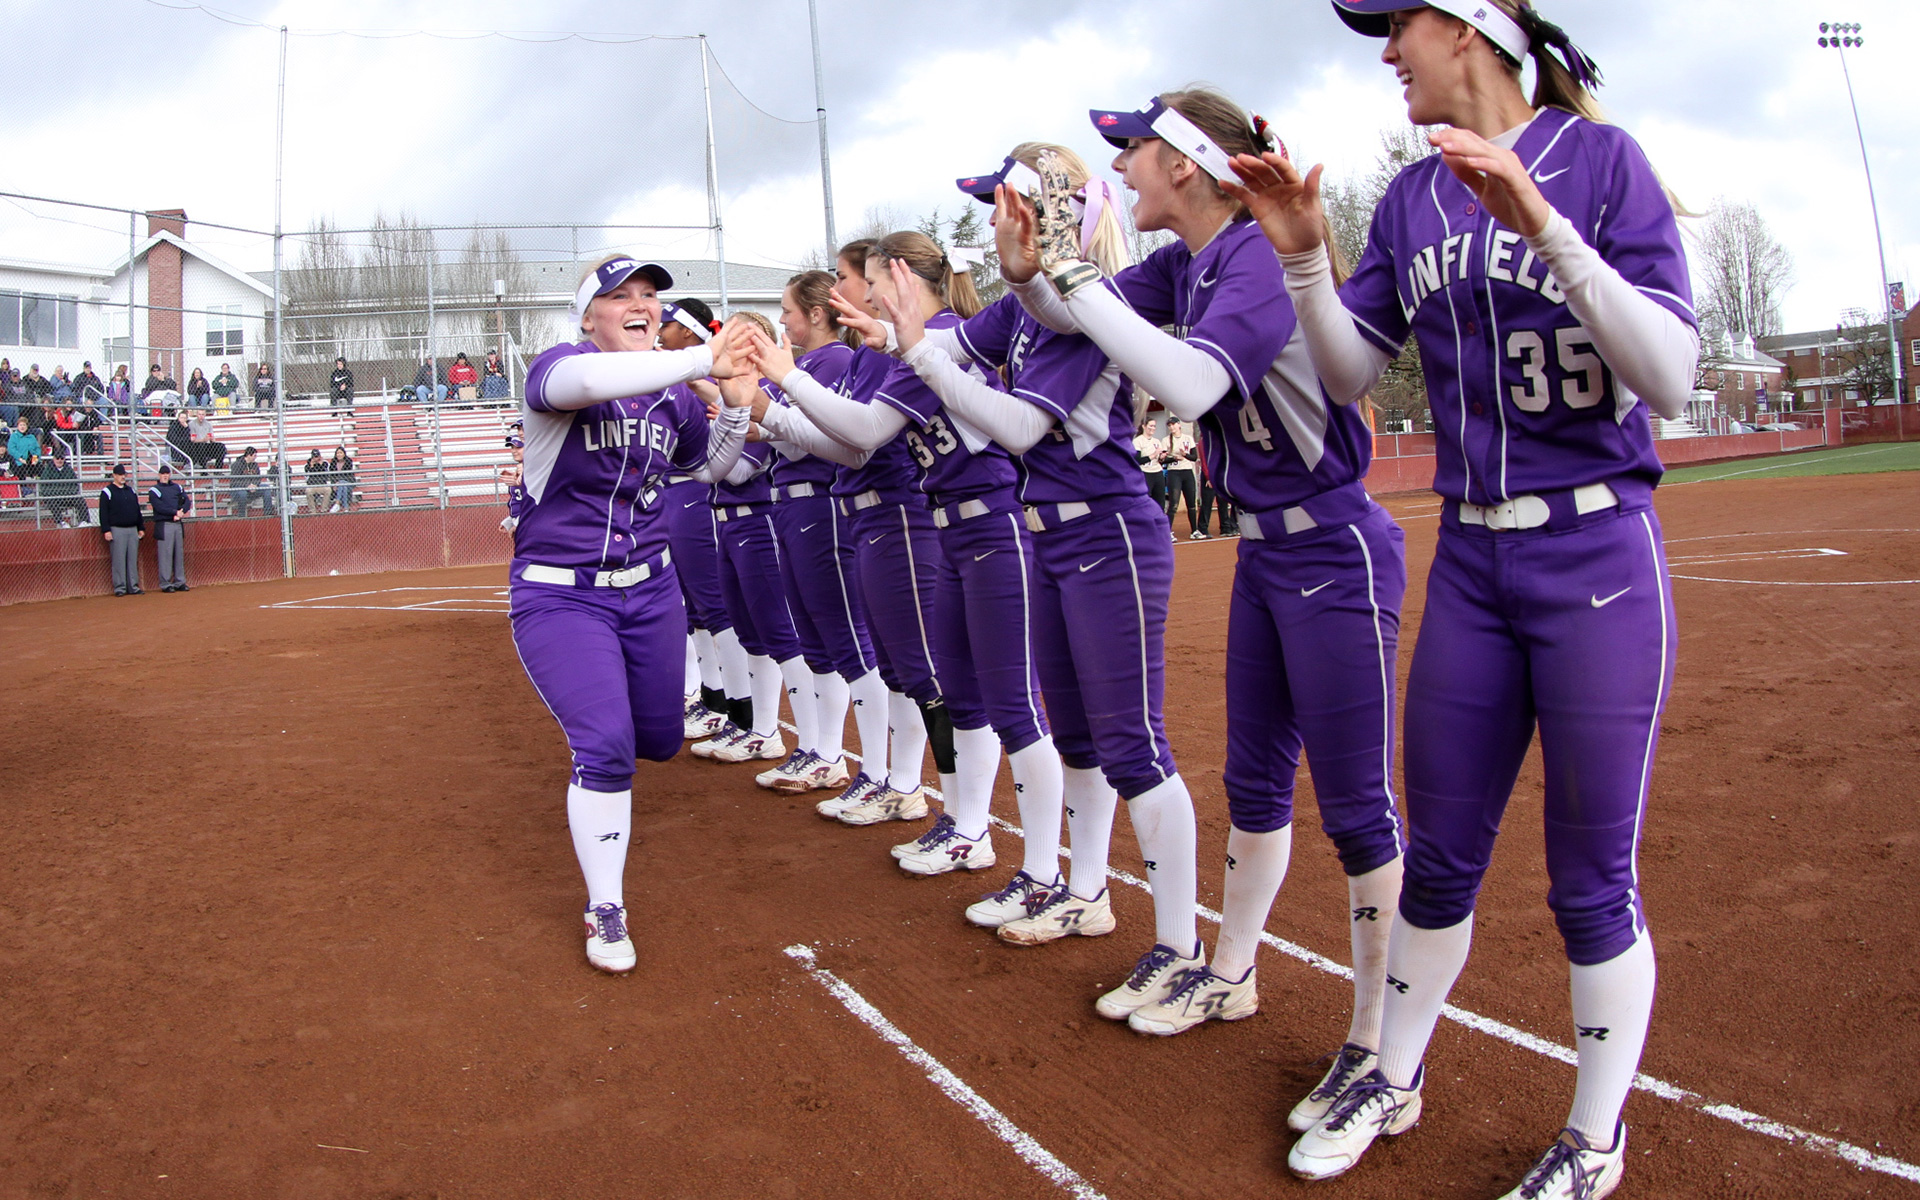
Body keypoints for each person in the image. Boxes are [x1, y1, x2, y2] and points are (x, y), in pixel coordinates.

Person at [1236, 4, 1696, 1194]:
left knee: (1589, 879)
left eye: (1403, 26)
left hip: (1597, 557)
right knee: (1439, 855)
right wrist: (1300, 253)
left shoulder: (1600, 163)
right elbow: (1346, 376)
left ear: (1477, 31)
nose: (1387, 51)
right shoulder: (1409, 197)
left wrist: (1547, 229)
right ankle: (1392, 1071)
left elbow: (1673, 378)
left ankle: (1594, 1141)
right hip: (1476, 565)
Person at [998, 93, 1416, 1054]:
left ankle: (1377, 1044)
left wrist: (1059, 266)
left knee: (1357, 806)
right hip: (1269, 550)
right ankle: (1228, 975)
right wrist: (1028, 278)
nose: (1126, 171)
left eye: (1135, 151)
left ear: (1186, 163)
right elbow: (1074, 318)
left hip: (1334, 544)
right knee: (1257, 782)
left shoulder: (1256, 252)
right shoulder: (1186, 263)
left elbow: (1189, 385)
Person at [872, 144, 1194, 973]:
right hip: (1052, 531)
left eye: (1010, 204)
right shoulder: (1026, 309)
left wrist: (917, 350)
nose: (994, 221)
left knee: (1132, 743)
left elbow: (1014, 428)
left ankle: (1181, 946)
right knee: (1081, 739)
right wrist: (911, 341)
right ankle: (1081, 890)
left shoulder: (1095, 301)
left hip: (1108, 529)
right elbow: (959, 360)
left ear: (1055, 214)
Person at [509, 255, 756, 975]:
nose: (640, 304)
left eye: (649, 294)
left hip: (650, 592)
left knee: (659, 740)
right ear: (589, 317)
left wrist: (734, 404)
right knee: (608, 746)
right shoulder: (562, 365)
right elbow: (584, 384)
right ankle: (606, 906)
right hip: (563, 593)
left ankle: (622, 771)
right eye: (620, 296)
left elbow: (708, 466)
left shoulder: (674, 397)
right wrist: (701, 359)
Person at [745, 239, 941, 825]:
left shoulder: (841, 358)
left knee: (906, 665)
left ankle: (895, 780)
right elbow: (846, 443)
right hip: (854, 509)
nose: (843, 289)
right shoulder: (858, 357)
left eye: (847, 278)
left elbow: (862, 435)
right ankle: (878, 774)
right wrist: (761, 409)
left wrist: (775, 397)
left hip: (892, 513)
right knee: (865, 652)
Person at [745, 270, 889, 798]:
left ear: (816, 314)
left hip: (821, 507)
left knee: (851, 644)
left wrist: (768, 416)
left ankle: (876, 769)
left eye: (787, 310)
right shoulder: (806, 364)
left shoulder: (832, 361)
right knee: (820, 645)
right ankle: (826, 752)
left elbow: (818, 440)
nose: (781, 319)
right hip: (792, 508)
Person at [654, 298, 751, 744]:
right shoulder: (672, 370)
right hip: (675, 493)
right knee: (692, 609)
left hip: (696, 492)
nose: (660, 329)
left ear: (691, 333)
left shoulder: (710, 377)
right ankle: (711, 697)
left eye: (669, 324)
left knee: (712, 605)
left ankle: (738, 704)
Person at [99, 463, 145, 595]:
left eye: (124, 474)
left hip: (132, 529)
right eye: (120, 475)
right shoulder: (107, 492)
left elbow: (137, 510)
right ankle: (120, 587)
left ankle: (133, 586)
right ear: (114, 476)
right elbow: (103, 512)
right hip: (117, 529)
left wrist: (140, 527)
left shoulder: (130, 491)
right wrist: (106, 530)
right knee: (118, 559)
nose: (123, 477)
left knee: (132, 559)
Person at [148, 464, 192, 592]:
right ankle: (166, 583)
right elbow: (159, 507)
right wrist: (174, 512)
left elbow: (187, 501)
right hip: (164, 524)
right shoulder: (154, 490)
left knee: (178, 553)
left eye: (167, 473)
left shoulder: (177, 487)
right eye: (163, 474)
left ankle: (179, 582)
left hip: (178, 523)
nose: (165, 476)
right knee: (165, 554)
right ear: (159, 475)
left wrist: (182, 511)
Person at [1163, 417, 1200, 536]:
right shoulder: (1166, 440)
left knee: (1191, 503)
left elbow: (1194, 457)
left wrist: (1185, 455)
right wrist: (1173, 457)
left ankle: (1194, 530)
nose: (1172, 427)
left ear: (1179, 425)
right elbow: (1162, 460)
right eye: (1169, 425)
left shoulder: (1188, 439)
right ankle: (1168, 531)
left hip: (1187, 471)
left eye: (1173, 424)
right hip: (1174, 472)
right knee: (1173, 504)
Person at [39, 447, 87, 527]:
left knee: (80, 500)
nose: (59, 460)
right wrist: (57, 493)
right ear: (54, 459)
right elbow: (44, 487)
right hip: (53, 497)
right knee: (51, 501)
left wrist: (67, 493)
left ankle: (84, 521)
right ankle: (60, 522)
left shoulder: (68, 469)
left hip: (67, 496)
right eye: (57, 458)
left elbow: (75, 485)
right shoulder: (47, 470)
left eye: (62, 458)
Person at [229, 446, 276, 516]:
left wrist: (255, 485)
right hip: (239, 488)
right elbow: (235, 480)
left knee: (266, 488)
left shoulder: (255, 465)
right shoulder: (236, 465)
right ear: (248, 455)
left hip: (252, 488)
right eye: (254, 455)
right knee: (242, 493)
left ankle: (268, 513)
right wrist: (247, 485)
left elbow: (258, 478)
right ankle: (241, 515)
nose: (255, 457)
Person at [1133, 419, 1168, 510]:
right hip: (1145, 472)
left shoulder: (1156, 441)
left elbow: (1159, 460)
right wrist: (1153, 455)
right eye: (1151, 426)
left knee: (1160, 500)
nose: (1153, 428)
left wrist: (1162, 457)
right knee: (1146, 499)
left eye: (1154, 426)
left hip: (1157, 471)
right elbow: (1137, 460)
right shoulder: (1138, 441)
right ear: (1144, 426)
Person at [327, 444, 355, 512]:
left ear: (344, 454)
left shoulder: (348, 462)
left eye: (340, 453)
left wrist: (339, 481)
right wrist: (336, 482)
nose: (339, 454)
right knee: (343, 486)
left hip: (349, 482)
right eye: (337, 453)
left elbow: (348, 475)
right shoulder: (333, 462)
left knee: (343, 483)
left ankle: (337, 504)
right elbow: (332, 475)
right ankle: (346, 508)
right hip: (337, 484)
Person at [303, 449, 331, 513]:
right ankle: (312, 510)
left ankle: (324, 509)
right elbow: (307, 477)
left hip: (322, 484)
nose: (316, 458)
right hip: (312, 485)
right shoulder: (307, 465)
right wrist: (312, 466)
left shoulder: (325, 463)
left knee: (328, 490)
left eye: (317, 456)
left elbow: (327, 475)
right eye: (314, 457)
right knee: (308, 491)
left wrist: (321, 465)